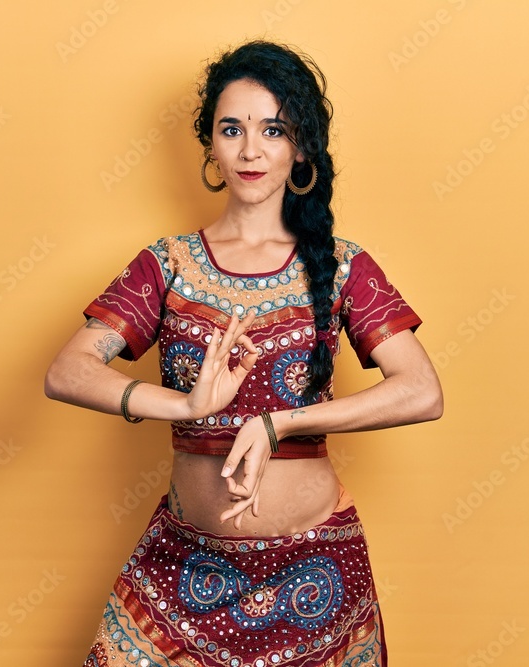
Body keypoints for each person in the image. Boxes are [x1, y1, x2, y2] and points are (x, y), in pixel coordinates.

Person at [45, 39, 442, 667]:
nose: (251, 150)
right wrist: (183, 404)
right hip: (185, 566)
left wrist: (279, 422)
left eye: (273, 130)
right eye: (232, 130)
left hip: (316, 573)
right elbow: (67, 371)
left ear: (301, 147)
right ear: (210, 145)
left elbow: (422, 391)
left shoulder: (340, 267)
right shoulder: (170, 263)